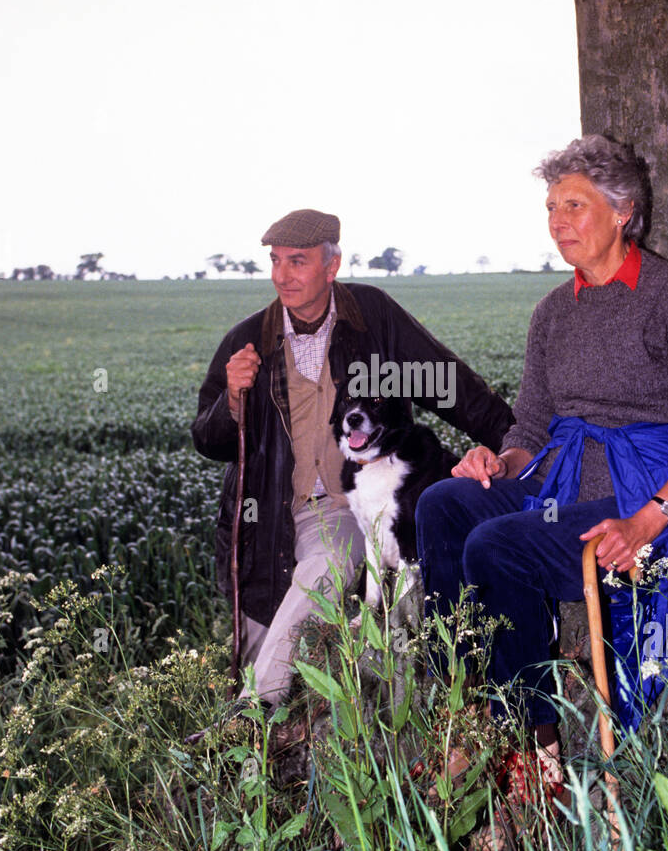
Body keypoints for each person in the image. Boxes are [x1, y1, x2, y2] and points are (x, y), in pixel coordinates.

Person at [415, 135, 668, 808]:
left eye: (574, 205)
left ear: (622, 211)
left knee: (496, 546)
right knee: (444, 504)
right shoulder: (551, 314)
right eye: (550, 207)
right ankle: (470, 711)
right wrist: (494, 463)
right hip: (558, 488)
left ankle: (536, 750)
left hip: (635, 499)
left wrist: (648, 519)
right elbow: (529, 431)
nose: (557, 221)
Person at [191, 208, 513, 727]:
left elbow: (451, 386)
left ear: (332, 264)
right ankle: (243, 749)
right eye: (275, 262)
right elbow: (208, 440)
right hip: (267, 519)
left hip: (344, 503)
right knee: (257, 651)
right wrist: (232, 399)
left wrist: (519, 446)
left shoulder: (374, 320)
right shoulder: (248, 339)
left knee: (326, 571)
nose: (282, 275)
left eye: (297, 261)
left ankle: (253, 711)